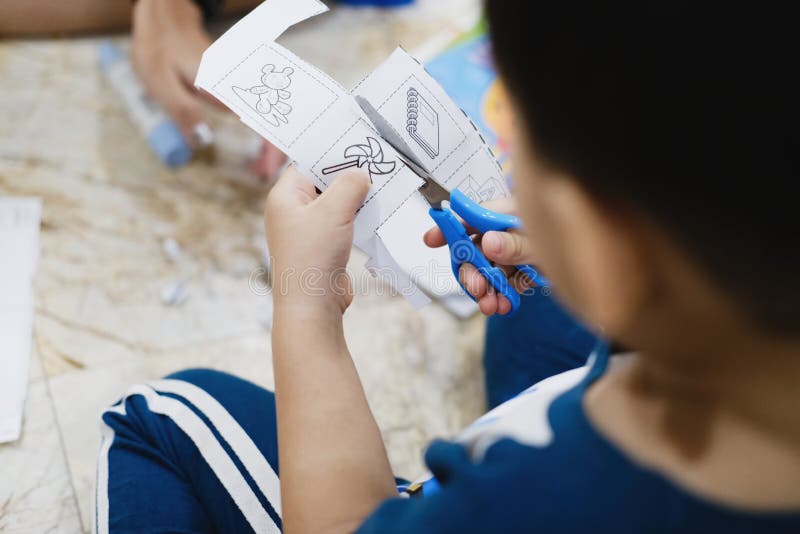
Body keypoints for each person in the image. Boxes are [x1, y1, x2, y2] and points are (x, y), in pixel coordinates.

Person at [94, 5, 800, 533]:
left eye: (529, 148)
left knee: (159, 417)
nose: (508, 152)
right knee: (529, 319)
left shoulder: (521, 507)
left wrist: (306, 303)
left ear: (615, 249)